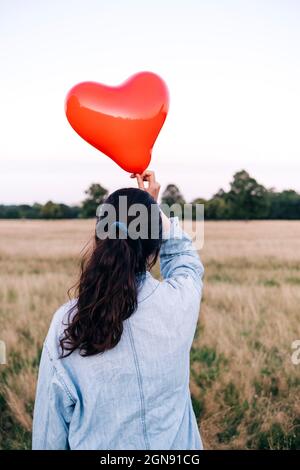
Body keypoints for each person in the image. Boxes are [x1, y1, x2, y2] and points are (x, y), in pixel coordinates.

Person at [32, 171, 204, 450]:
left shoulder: (68, 322)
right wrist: (154, 213)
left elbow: (49, 433)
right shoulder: (179, 303)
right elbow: (186, 261)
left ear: (100, 238)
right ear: (154, 245)